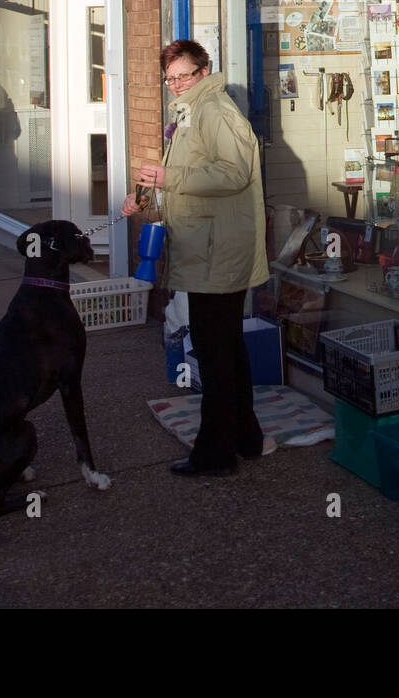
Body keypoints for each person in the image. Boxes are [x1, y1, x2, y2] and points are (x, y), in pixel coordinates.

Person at [121, 39, 270, 476]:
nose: (177, 84)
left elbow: (234, 173)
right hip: (208, 245)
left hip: (217, 250)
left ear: (204, 72)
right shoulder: (192, 110)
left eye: (185, 75)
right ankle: (246, 438)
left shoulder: (215, 111)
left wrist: (170, 176)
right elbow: (185, 176)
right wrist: (144, 195)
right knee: (225, 345)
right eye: (170, 78)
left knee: (214, 351)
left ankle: (215, 454)